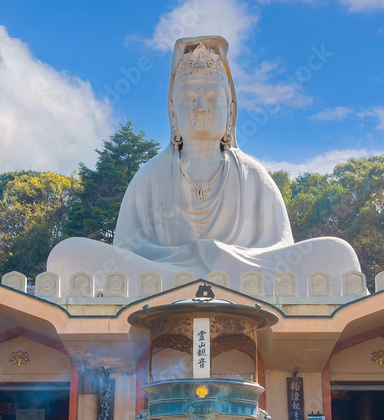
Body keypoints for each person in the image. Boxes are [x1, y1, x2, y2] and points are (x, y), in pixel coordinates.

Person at [48, 36, 360, 293]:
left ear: (231, 111)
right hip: (159, 278)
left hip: (244, 277)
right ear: (172, 113)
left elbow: (281, 251)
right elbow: (126, 251)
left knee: (337, 254)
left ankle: (196, 282)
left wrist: (221, 256)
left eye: (212, 99)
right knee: (67, 254)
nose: (200, 109)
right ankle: (192, 283)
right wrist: (188, 259)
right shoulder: (150, 177)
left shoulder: (253, 176)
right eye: (188, 99)